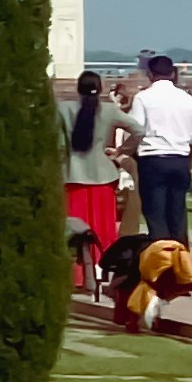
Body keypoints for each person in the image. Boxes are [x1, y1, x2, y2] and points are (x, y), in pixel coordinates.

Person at [130, 55, 192, 246]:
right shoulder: (189, 100)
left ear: (150, 74)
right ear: (173, 73)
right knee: (177, 214)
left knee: (156, 214)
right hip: (180, 159)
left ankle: (162, 260)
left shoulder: (143, 98)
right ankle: (180, 260)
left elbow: (136, 131)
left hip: (153, 159)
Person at [60, 69, 139, 260]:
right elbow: (139, 130)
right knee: (103, 226)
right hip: (103, 176)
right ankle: (103, 265)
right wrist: (121, 151)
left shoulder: (62, 109)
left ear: (78, 88)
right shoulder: (109, 110)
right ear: (100, 88)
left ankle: (77, 272)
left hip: (72, 175)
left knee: (73, 227)